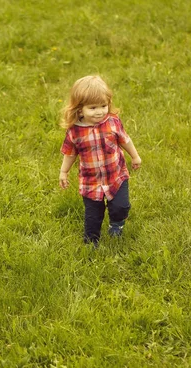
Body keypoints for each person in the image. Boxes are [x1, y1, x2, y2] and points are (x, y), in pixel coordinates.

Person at [59, 75, 142, 246]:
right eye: (93, 107)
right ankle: (91, 243)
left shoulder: (112, 122)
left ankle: (117, 223)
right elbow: (70, 153)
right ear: (79, 109)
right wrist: (64, 172)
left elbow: (125, 140)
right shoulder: (74, 132)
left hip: (116, 176)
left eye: (104, 106)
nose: (100, 111)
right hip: (91, 182)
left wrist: (135, 156)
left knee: (121, 207)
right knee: (93, 216)